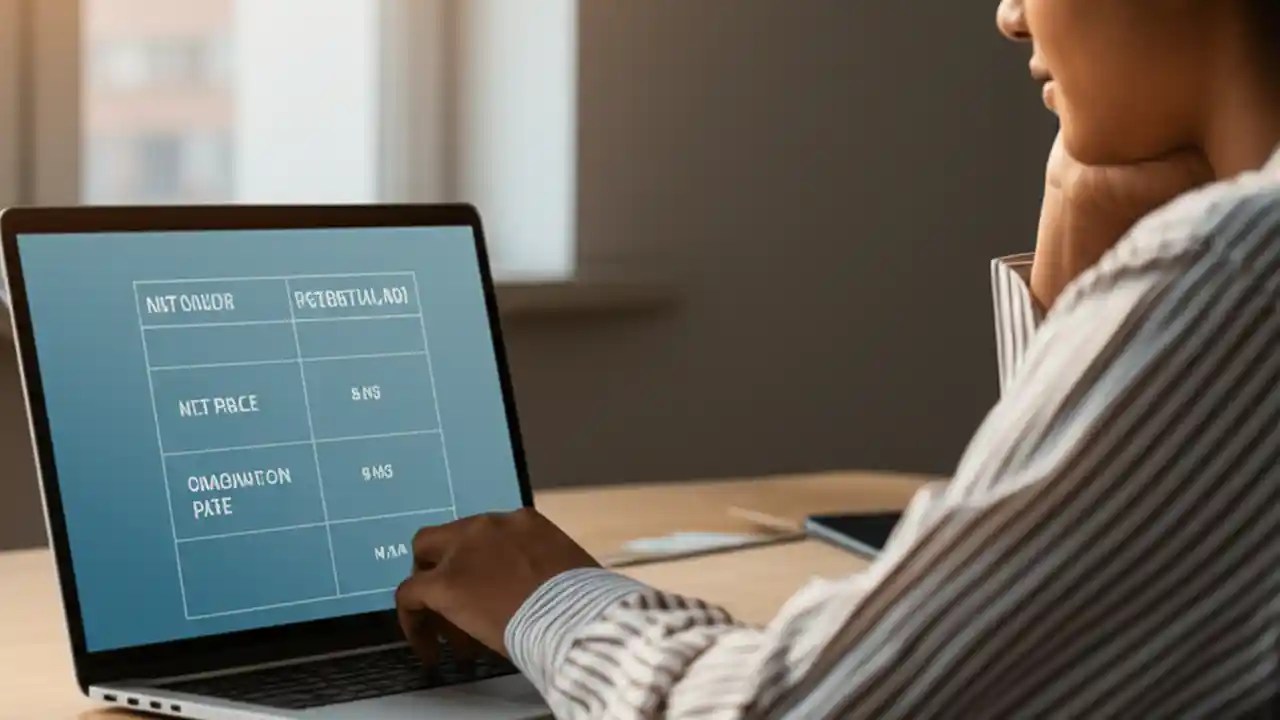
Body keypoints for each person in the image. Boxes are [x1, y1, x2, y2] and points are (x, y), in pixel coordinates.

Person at [396, 0, 1280, 717]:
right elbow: (1056, 620)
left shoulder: (1239, 265)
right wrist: (1081, 210)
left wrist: (546, 599)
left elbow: (807, 707)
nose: (1011, 16)